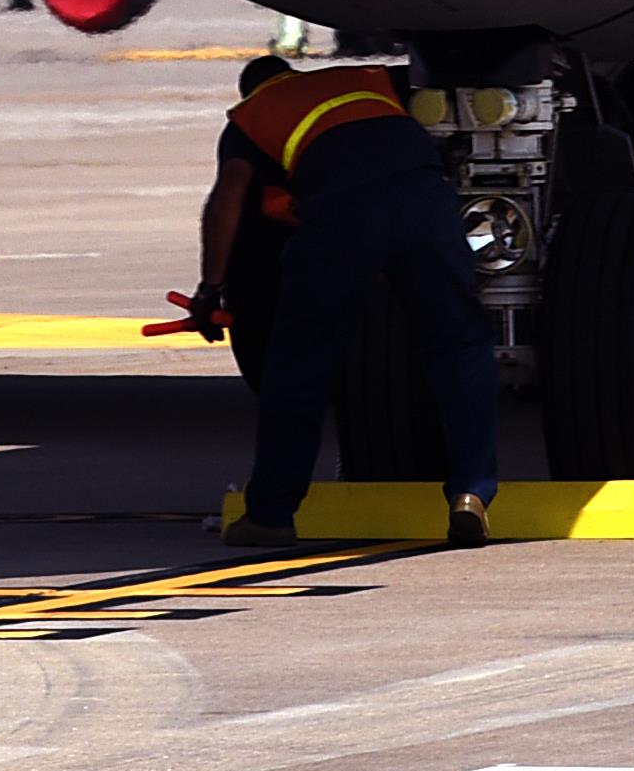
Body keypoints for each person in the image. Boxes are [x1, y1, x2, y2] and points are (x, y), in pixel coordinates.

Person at [183, 52, 498, 545]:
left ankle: (270, 514)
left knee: (299, 362)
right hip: (428, 199)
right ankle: (470, 492)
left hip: (343, 211)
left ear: (252, 89)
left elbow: (228, 198)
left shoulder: (250, 116)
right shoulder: (364, 81)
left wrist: (210, 288)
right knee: (459, 345)